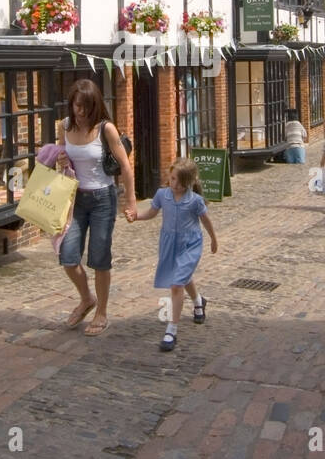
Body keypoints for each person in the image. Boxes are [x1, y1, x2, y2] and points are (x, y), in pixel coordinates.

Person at [55, 79, 136, 336]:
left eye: (85, 108)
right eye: (76, 106)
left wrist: (131, 203)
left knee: (99, 257)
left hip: (103, 198)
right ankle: (86, 298)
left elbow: (125, 166)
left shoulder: (106, 129)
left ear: (94, 107)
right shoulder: (64, 126)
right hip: (75, 199)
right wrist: (60, 158)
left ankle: (101, 311)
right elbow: (61, 161)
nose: (79, 112)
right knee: (68, 256)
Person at [130, 157, 218, 351]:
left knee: (177, 283)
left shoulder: (194, 201)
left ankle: (172, 330)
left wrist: (213, 239)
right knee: (183, 277)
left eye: (178, 180)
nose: (173, 183)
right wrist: (136, 216)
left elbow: (206, 220)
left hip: (190, 244)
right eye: (172, 178)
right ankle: (198, 301)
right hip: (169, 244)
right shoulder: (162, 195)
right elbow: (152, 212)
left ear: (188, 182)